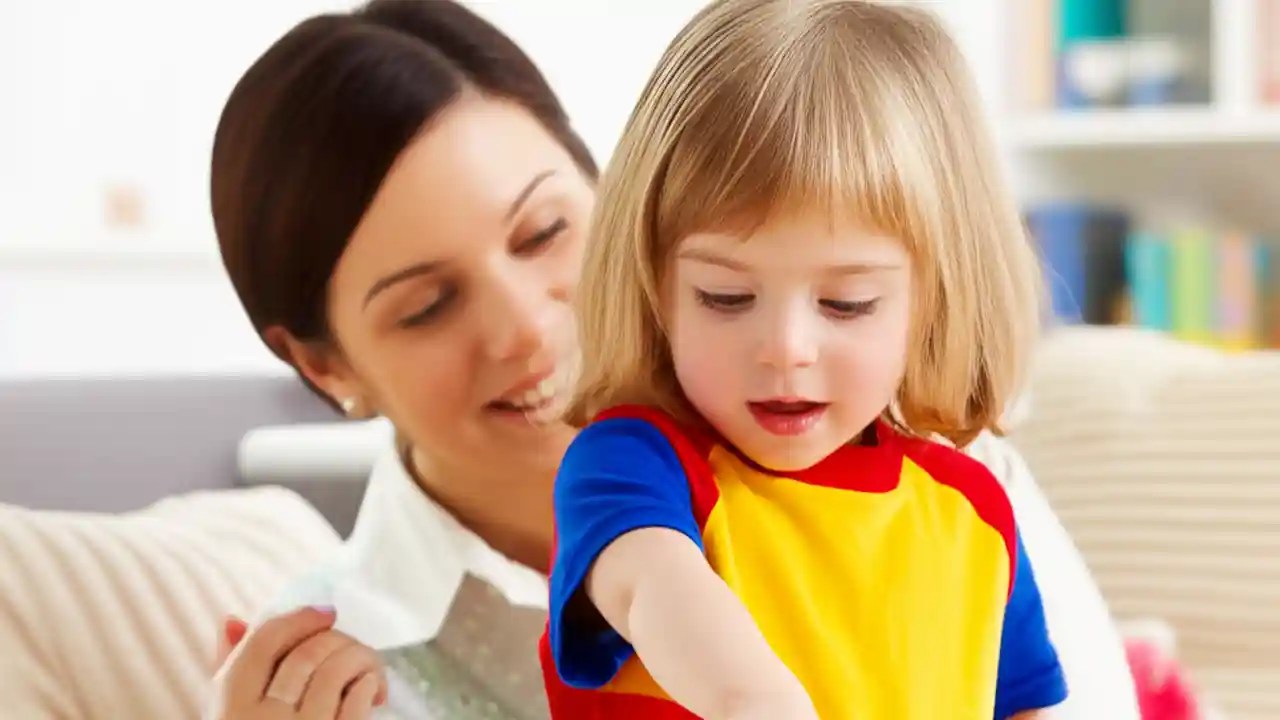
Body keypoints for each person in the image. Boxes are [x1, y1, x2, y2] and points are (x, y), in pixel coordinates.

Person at [205, 0, 1139, 718]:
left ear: (618, 211)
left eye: (543, 233)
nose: (527, 329)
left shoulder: (959, 496)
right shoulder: (325, 672)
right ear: (326, 366)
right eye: (428, 306)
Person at [541, 1, 1065, 718]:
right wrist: (755, 700)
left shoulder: (970, 513)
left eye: (846, 303)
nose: (786, 349)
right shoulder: (634, 468)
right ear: (655, 288)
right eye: (725, 297)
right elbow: (651, 586)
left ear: (934, 301)